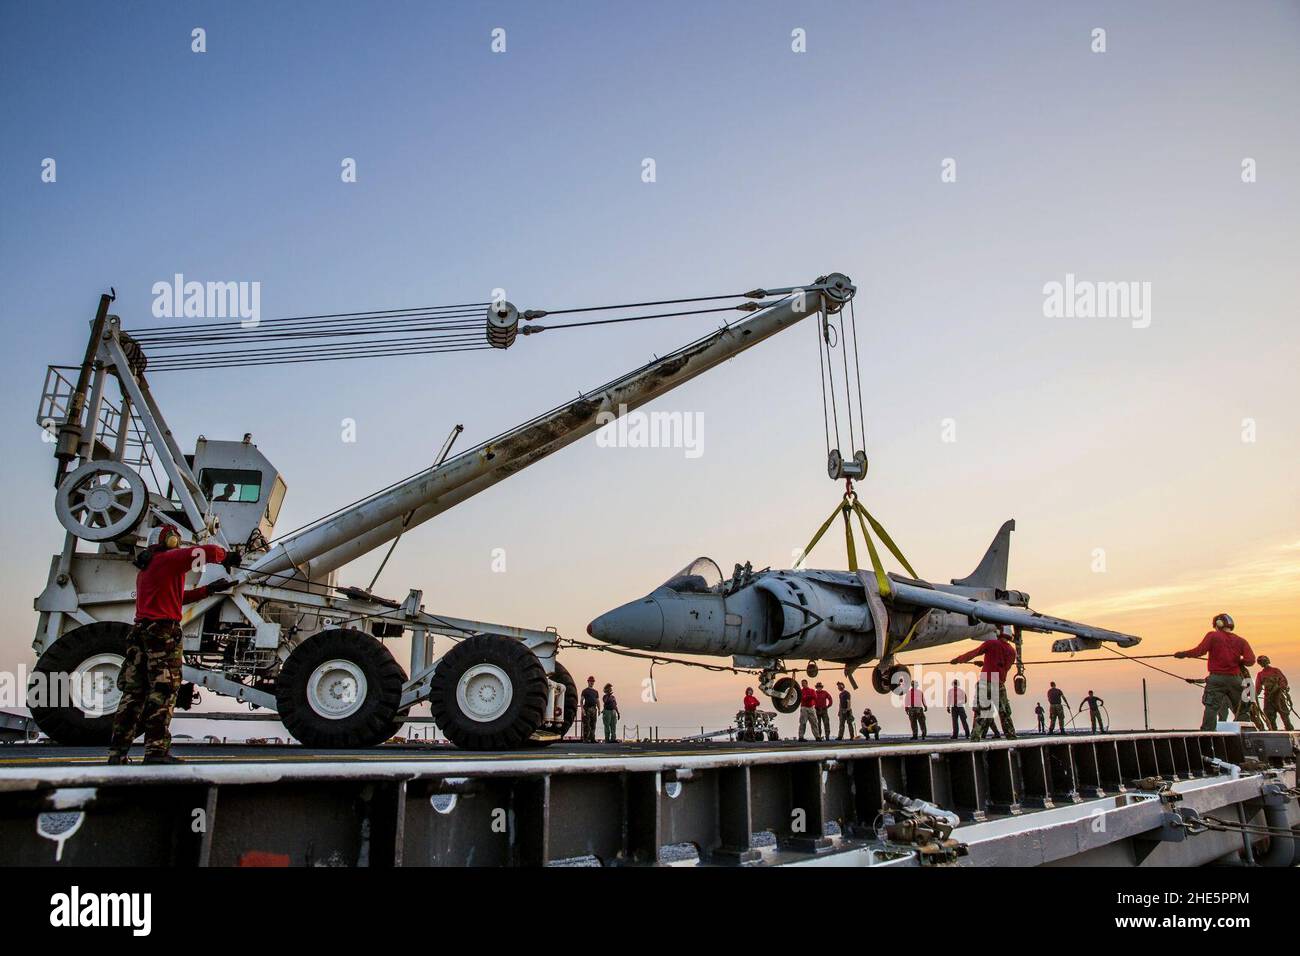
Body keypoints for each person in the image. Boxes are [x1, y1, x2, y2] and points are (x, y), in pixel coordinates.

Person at [108, 525, 234, 765]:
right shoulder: (169, 559)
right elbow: (205, 551)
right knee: (163, 690)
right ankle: (156, 752)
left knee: (134, 694)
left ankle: (118, 752)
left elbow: (178, 597)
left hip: (140, 633)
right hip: (162, 634)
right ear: (171, 540)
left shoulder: (147, 568)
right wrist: (227, 557)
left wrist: (208, 590)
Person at [1174, 613, 1255, 731]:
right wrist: (1238, 661)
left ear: (1218, 624)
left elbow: (1199, 651)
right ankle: (1246, 733)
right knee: (1242, 709)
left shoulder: (1213, 636)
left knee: (1211, 708)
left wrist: (1183, 654)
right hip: (1236, 680)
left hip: (1216, 679)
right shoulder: (1241, 641)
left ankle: (1207, 734)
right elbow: (1250, 661)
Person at [950, 626, 1018, 738]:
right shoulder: (1012, 651)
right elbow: (1002, 667)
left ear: (999, 634)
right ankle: (1011, 736)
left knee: (981, 711)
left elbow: (974, 653)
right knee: (1004, 713)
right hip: (999, 683)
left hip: (985, 682)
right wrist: (984, 663)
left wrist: (958, 660)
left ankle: (975, 737)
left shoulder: (991, 643)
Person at [1254, 656, 1294, 731]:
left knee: (1285, 717)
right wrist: (1254, 696)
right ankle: (1273, 732)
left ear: (1267, 661)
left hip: (1279, 697)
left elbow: (1283, 680)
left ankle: (1289, 731)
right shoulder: (1260, 674)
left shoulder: (1276, 670)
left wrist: (1282, 687)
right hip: (1268, 699)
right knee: (1270, 718)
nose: (1263, 663)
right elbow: (1258, 688)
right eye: (1261, 662)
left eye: (1264, 661)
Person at [580, 676, 600, 742]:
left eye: (592, 681)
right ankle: (585, 739)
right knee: (586, 724)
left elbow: (597, 701)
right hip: (587, 709)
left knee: (593, 724)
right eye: (590, 681)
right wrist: (582, 709)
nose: (591, 682)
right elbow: (581, 701)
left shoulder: (595, 692)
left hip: (594, 709)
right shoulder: (585, 691)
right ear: (588, 682)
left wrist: (599, 709)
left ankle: (592, 739)